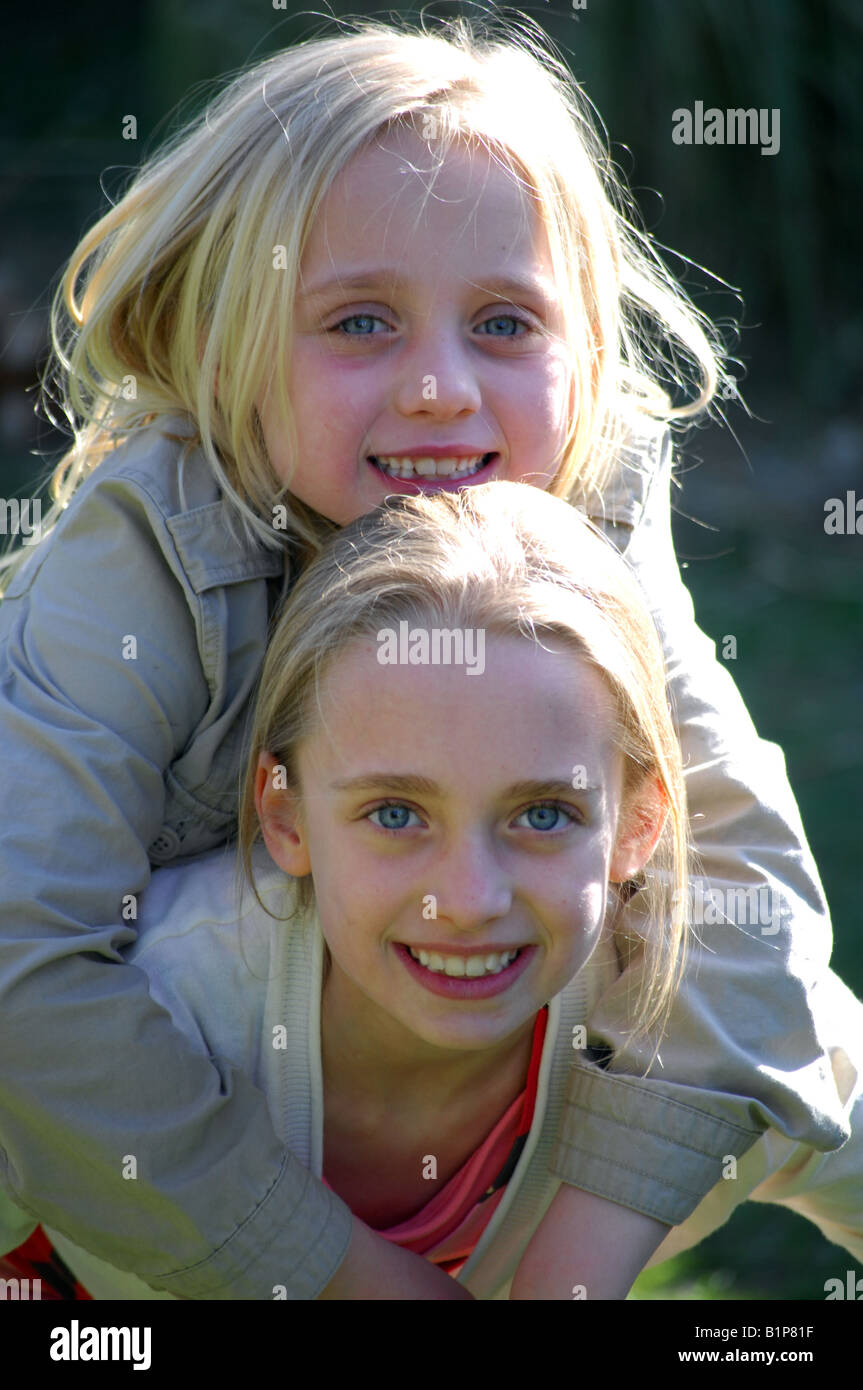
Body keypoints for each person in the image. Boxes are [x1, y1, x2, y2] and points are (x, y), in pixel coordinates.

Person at [0, 16, 852, 1301]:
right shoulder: (144, 551)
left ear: (585, 351)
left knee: (805, 1032)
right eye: (358, 323)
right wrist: (335, 1273)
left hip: (481, 1054)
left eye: (505, 322)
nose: (444, 388)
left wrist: (576, 1260)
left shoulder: (588, 500)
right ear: (224, 345)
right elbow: (23, 955)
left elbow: (746, 882)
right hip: (203, 1115)